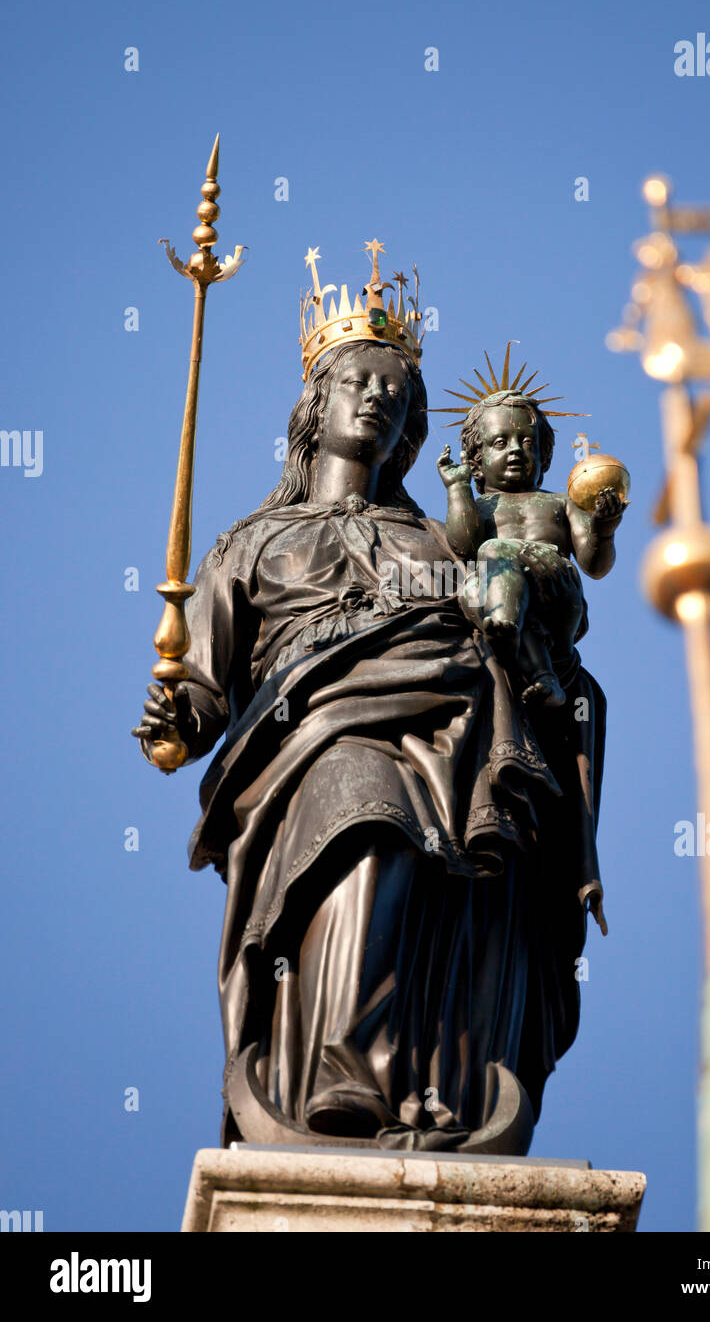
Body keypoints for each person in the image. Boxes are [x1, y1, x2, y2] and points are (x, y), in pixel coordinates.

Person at [133, 333, 609, 1151]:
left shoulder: (440, 540)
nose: (378, 396)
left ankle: (435, 1078)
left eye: (396, 391)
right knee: (369, 818)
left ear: (416, 431)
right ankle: (342, 1060)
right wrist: (178, 719)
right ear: (316, 407)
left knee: (473, 869)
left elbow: (526, 626)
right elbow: (206, 692)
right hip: (317, 727)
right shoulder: (251, 542)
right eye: (358, 380)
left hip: (457, 723)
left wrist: (548, 599)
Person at [437, 390, 624, 708]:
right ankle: (545, 678)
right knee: (476, 590)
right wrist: (457, 488)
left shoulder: (561, 503)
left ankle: (505, 622)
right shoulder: (480, 507)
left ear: (545, 456)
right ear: (475, 461)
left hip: (555, 583)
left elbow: (594, 565)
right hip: (505, 592)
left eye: (527, 443)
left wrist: (603, 530)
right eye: (500, 442)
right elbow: (463, 543)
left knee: (493, 554)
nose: (515, 451)